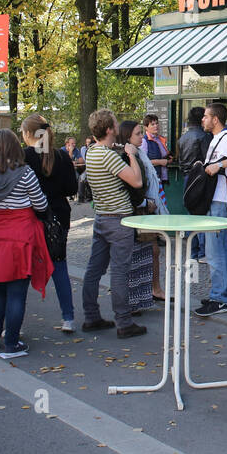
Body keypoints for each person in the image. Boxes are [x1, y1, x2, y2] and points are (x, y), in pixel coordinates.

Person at [0, 128, 51, 353]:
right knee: (17, 292)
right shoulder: (25, 173)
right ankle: (13, 342)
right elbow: (41, 205)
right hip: (22, 235)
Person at [81, 108, 147, 338]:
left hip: (101, 217)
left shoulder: (91, 152)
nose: (118, 126)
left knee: (93, 270)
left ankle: (91, 317)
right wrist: (131, 154)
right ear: (110, 129)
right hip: (119, 220)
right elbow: (136, 181)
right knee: (120, 273)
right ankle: (124, 323)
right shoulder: (109, 156)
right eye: (115, 124)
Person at [23, 114, 80, 333]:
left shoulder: (25, 156)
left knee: (24, 271)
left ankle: (15, 322)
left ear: (29, 134)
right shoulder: (62, 156)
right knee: (59, 266)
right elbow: (71, 189)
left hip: (32, 217)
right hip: (58, 217)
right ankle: (68, 317)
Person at [194, 102, 227, 318]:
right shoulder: (219, 139)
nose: (203, 120)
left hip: (218, 201)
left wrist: (220, 165)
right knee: (220, 251)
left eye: (206, 116)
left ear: (215, 119)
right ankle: (222, 294)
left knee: (215, 252)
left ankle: (220, 298)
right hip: (216, 200)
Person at [118, 119, 166, 307]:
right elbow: (132, 186)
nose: (141, 137)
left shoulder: (139, 154)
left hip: (144, 209)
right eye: (137, 134)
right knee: (142, 253)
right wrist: (146, 202)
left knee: (150, 251)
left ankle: (149, 292)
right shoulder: (126, 156)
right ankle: (135, 299)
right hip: (137, 211)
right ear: (127, 136)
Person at [176, 105, 211, 260]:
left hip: (186, 178)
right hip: (200, 178)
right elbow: (207, 160)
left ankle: (193, 250)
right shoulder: (204, 137)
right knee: (203, 215)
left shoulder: (182, 138)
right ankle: (203, 252)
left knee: (191, 215)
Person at [142, 113, 171, 200]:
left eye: (157, 123)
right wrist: (160, 162)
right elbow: (143, 162)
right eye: (152, 124)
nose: (156, 126)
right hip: (152, 178)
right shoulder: (144, 141)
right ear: (146, 127)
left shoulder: (159, 139)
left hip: (160, 177)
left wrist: (168, 159)